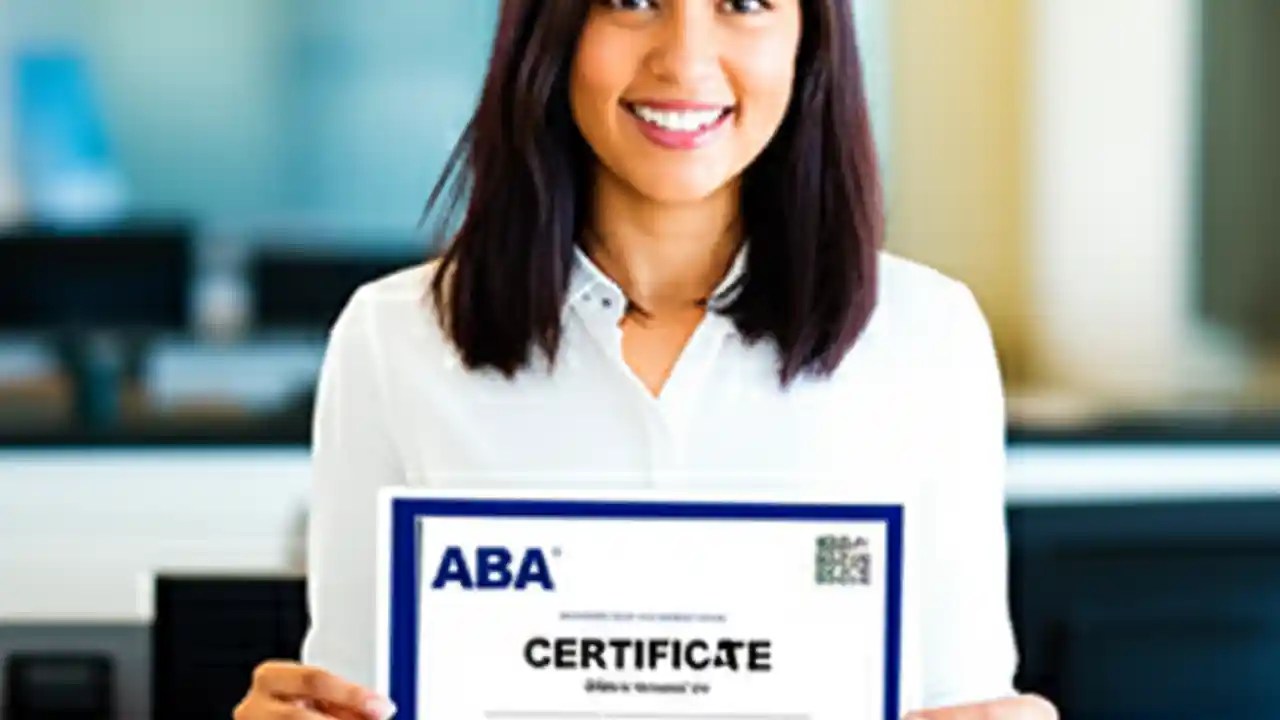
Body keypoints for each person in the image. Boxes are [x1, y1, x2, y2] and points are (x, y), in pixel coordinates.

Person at [235, 0, 1058, 718]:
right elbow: (356, 686)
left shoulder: (922, 335)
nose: (686, 60)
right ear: (550, 31)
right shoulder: (398, 337)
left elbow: (957, 688)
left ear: (810, 40)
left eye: (743, 1)